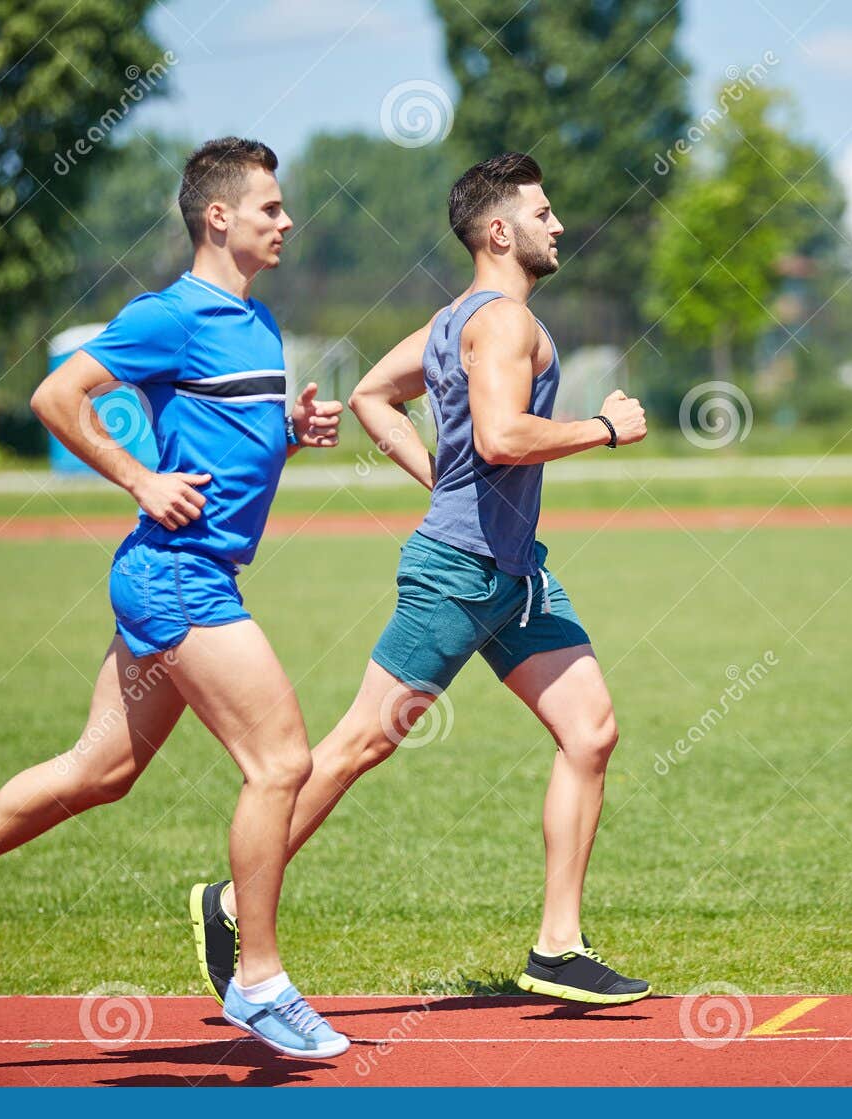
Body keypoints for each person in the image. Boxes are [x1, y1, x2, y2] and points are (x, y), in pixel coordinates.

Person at [0, 138, 353, 1060]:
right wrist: (137, 477)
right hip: (180, 577)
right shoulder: (169, 315)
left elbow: (225, 446)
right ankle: (260, 981)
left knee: (100, 771)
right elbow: (57, 396)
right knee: (282, 762)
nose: (287, 222)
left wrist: (289, 432)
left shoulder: (259, 324)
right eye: (271, 208)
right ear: (219, 218)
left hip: (183, 572)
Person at [189, 152, 652, 1006]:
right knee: (360, 744)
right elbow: (503, 438)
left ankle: (557, 946)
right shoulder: (505, 326)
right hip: (457, 576)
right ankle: (230, 897)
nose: (559, 225)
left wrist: (435, 473)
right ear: (501, 230)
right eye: (543, 213)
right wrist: (602, 428)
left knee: (589, 731)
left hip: (513, 578)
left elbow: (370, 395)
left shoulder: (454, 321)